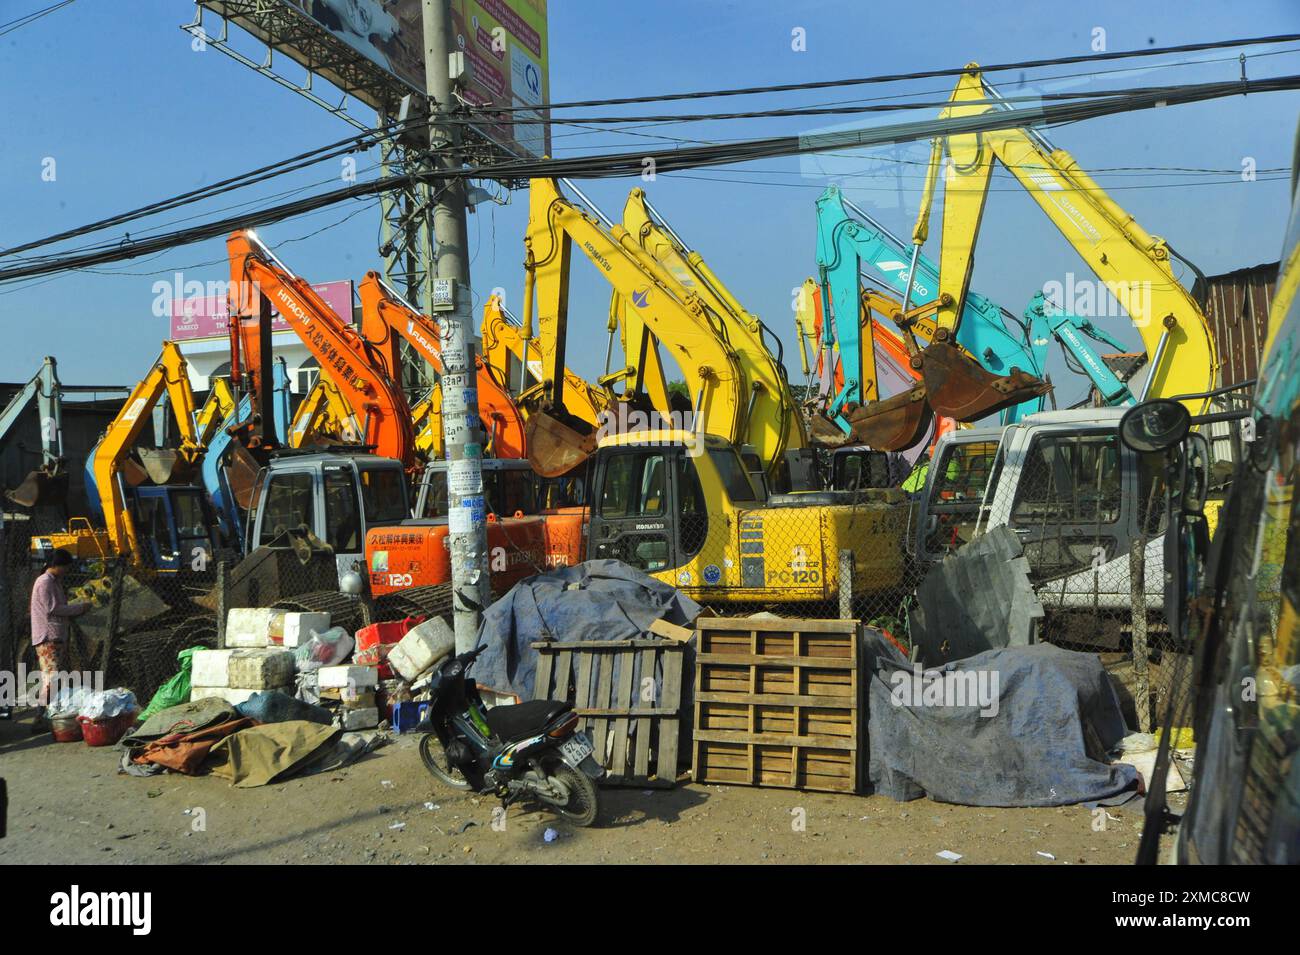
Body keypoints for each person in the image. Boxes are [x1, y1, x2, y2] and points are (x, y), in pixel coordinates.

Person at [29, 549, 89, 731]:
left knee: (53, 678)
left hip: (55, 635)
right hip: (48, 636)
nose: (67, 570)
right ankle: (41, 717)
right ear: (56, 565)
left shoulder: (54, 582)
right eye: (65, 566)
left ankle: (47, 715)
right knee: (52, 677)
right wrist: (80, 608)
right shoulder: (45, 582)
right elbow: (54, 608)